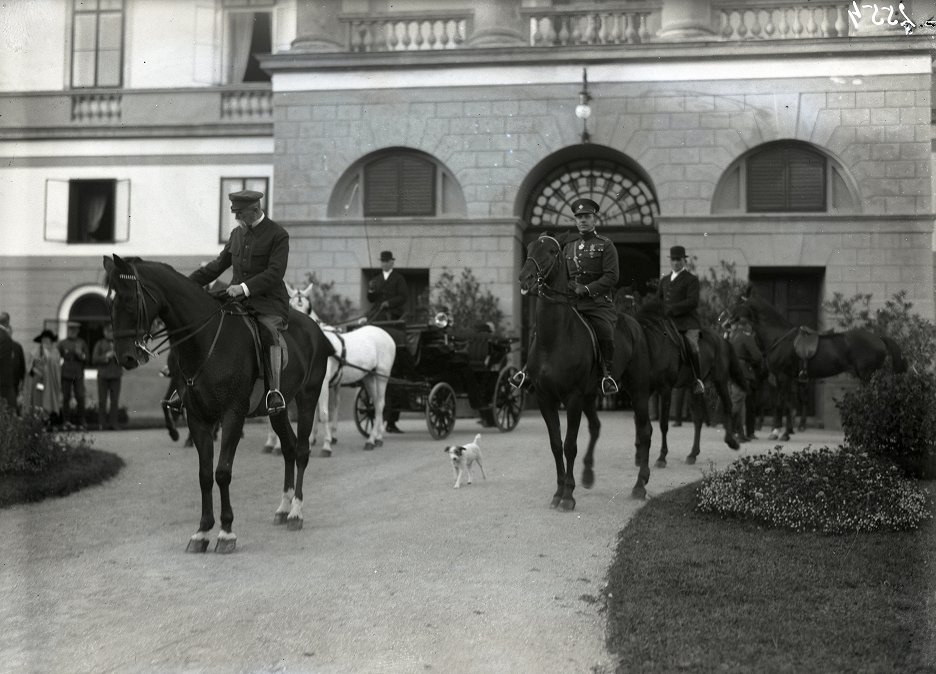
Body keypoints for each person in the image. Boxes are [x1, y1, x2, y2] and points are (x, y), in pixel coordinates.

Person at [187, 189, 290, 415]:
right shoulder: (237, 234)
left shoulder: (278, 234)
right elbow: (217, 265)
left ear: (255, 210)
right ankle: (188, 387)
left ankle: (274, 392)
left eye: (240, 214)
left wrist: (244, 288)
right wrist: (186, 284)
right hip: (236, 300)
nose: (237, 218)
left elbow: (275, 273)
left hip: (268, 303)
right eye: (235, 214)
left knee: (269, 332)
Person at [510, 198, 620, 396]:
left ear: (594, 219)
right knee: (540, 328)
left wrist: (586, 288)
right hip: (571, 303)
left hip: (597, 304)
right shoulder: (568, 247)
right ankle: (528, 371)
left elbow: (612, 276)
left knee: (604, 332)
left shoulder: (605, 245)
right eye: (579, 217)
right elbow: (559, 275)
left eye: (587, 217)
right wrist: (541, 286)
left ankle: (606, 375)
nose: (583, 221)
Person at [658, 245, 705, 395]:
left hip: (686, 323)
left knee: (692, 346)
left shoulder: (691, 280)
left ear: (684, 261)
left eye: (679, 260)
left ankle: (698, 380)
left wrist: (672, 308)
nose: (676, 263)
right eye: (673, 260)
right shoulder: (664, 281)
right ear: (670, 261)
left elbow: (692, 301)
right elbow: (657, 300)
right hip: (667, 323)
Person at [732, 316, 763, 440]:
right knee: (738, 403)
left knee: (738, 402)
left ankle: (740, 432)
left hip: (732, 371)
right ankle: (733, 431)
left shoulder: (733, 336)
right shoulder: (746, 337)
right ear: (747, 326)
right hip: (744, 372)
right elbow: (757, 356)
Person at [24, 329, 63, 426]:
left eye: (47, 340)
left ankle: (47, 419)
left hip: (49, 382)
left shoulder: (55, 352)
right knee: (36, 401)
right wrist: (32, 370)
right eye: (43, 340)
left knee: (48, 400)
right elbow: (29, 366)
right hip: (36, 382)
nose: (44, 342)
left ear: (51, 341)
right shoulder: (35, 351)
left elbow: (55, 365)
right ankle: (36, 419)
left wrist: (47, 356)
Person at [92, 323, 123, 430]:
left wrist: (117, 356)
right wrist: (106, 356)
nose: (110, 334)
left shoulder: (119, 344)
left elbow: (125, 360)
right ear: (104, 332)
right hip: (103, 376)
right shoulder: (99, 344)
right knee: (102, 400)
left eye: (112, 331)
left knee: (114, 401)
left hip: (116, 375)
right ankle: (102, 424)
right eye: (108, 331)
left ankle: (113, 423)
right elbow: (94, 359)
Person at [58, 322, 88, 428]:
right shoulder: (62, 343)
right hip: (66, 372)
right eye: (71, 330)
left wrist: (80, 354)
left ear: (77, 331)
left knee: (80, 396)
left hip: (78, 372)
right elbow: (57, 357)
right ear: (68, 331)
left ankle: (81, 420)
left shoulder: (81, 342)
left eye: (74, 331)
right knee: (66, 397)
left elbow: (87, 358)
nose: (72, 332)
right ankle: (66, 421)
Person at [367, 251, 408, 322]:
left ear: (392, 263)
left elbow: (403, 297)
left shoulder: (399, 278)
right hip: (377, 313)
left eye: (386, 261)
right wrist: (371, 290)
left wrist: (389, 303)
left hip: (394, 313)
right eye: (383, 261)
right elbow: (371, 300)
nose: (384, 264)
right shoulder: (376, 279)